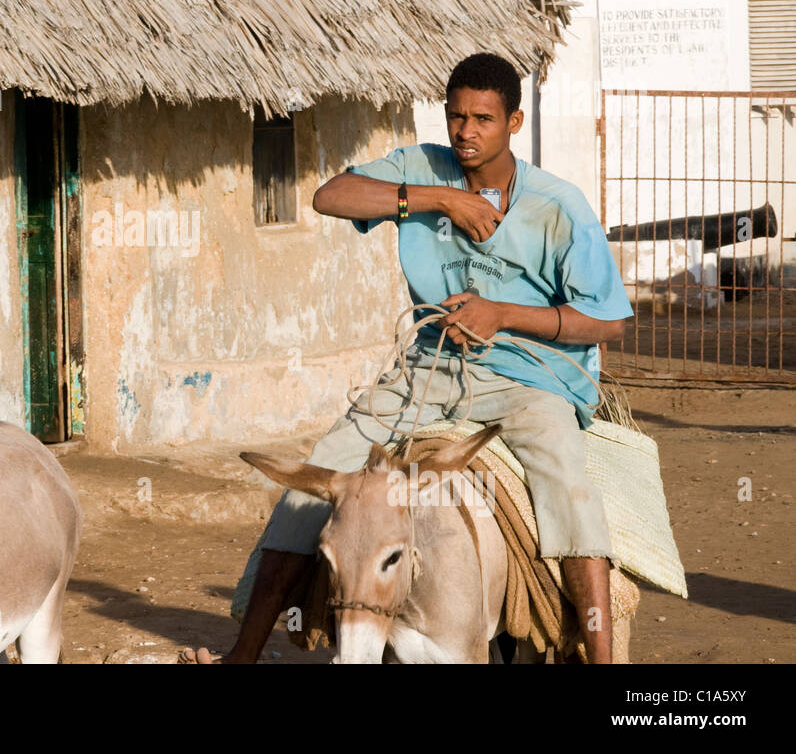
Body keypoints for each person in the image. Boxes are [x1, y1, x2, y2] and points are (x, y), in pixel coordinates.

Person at [190, 51, 632, 664]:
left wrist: (500, 313)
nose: (466, 132)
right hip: (427, 371)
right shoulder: (421, 167)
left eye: (483, 119)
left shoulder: (557, 206)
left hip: (531, 378)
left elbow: (609, 319)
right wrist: (440, 200)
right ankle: (243, 653)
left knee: (568, 488)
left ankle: (602, 659)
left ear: (515, 121)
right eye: (456, 117)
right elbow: (329, 196)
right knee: (318, 478)